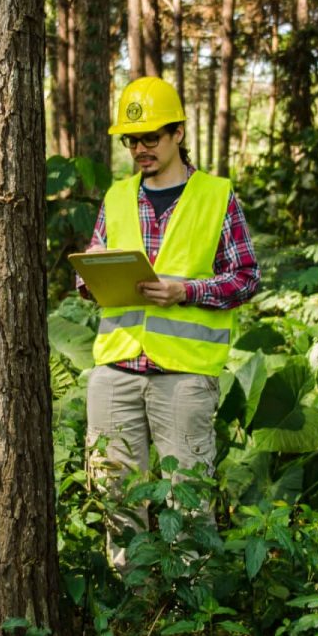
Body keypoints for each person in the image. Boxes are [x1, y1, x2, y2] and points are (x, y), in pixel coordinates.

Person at [77, 76, 260, 573]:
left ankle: (189, 604)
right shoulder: (117, 197)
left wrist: (187, 290)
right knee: (116, 497)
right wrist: (92, 275)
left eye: (151, 137)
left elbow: (246, 277)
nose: (141, 149)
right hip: (116, 369)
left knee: (189, 500)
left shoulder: (216, 196)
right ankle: (132, 601)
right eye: (131, 140)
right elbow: (90, 273)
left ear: (178, 132)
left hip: (183, 376)